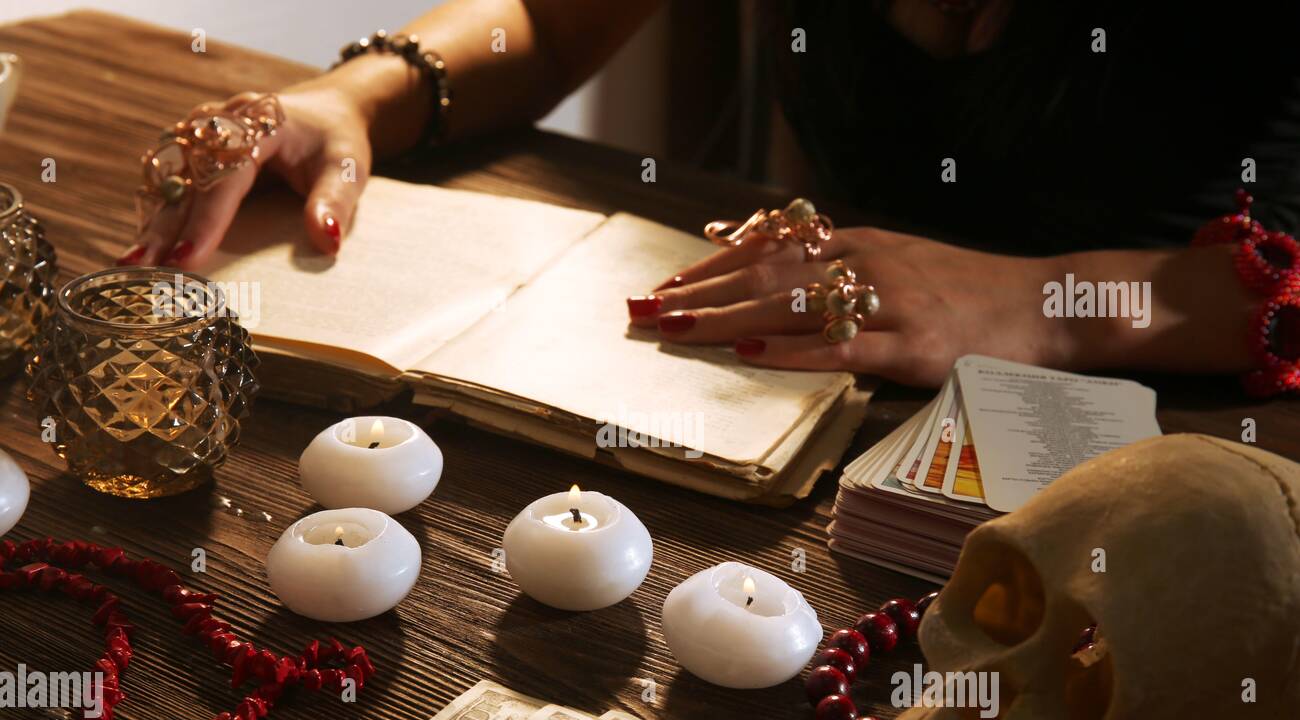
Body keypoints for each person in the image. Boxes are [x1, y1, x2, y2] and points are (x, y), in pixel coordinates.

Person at [122, 0, 1300, 390]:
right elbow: (544, 19)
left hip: (1200, 450)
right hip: (820, 396)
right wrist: (359, 96)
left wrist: (1056, 304)